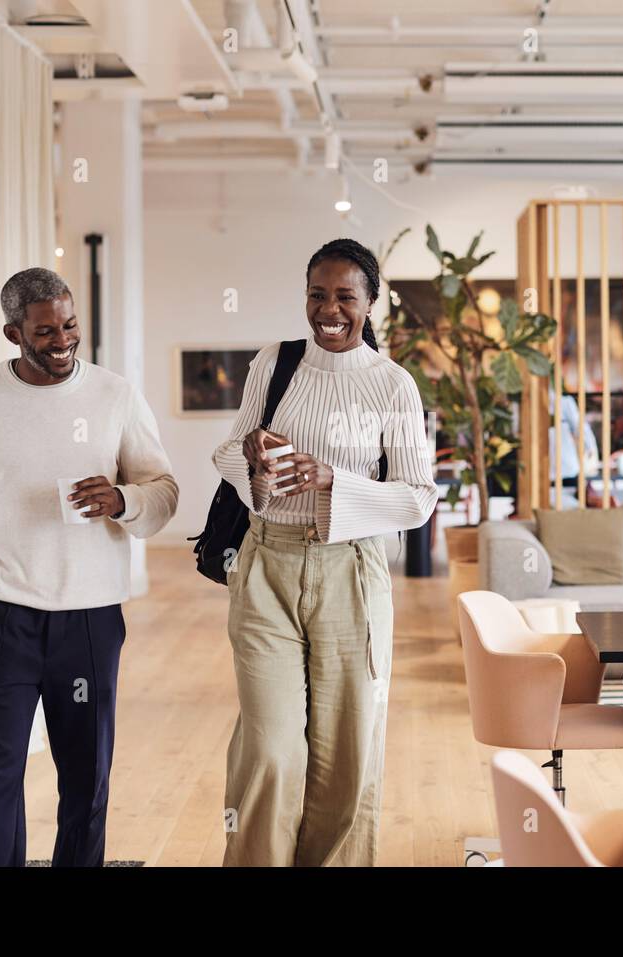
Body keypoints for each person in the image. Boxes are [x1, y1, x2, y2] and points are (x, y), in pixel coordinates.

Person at [0, 267, 178, 866]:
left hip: (88, 623)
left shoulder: (115, 394)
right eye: (46, 332)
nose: (63, 341)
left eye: (70, 326)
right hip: (2, 620)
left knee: (86, 782)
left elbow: (163, 491)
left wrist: (123, 500)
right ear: (14, 334)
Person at [213, 238, 438, 866]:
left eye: (345, 296)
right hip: (265, 563)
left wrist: (334, 481)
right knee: (269, 744)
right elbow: (227, 453)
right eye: (318, 294)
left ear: (370, 303)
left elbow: (418, 499)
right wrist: (253, 457)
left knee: (346, 751)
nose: (329, 310)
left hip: (351, 571)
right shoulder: (274, 362)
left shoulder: (393, 385)